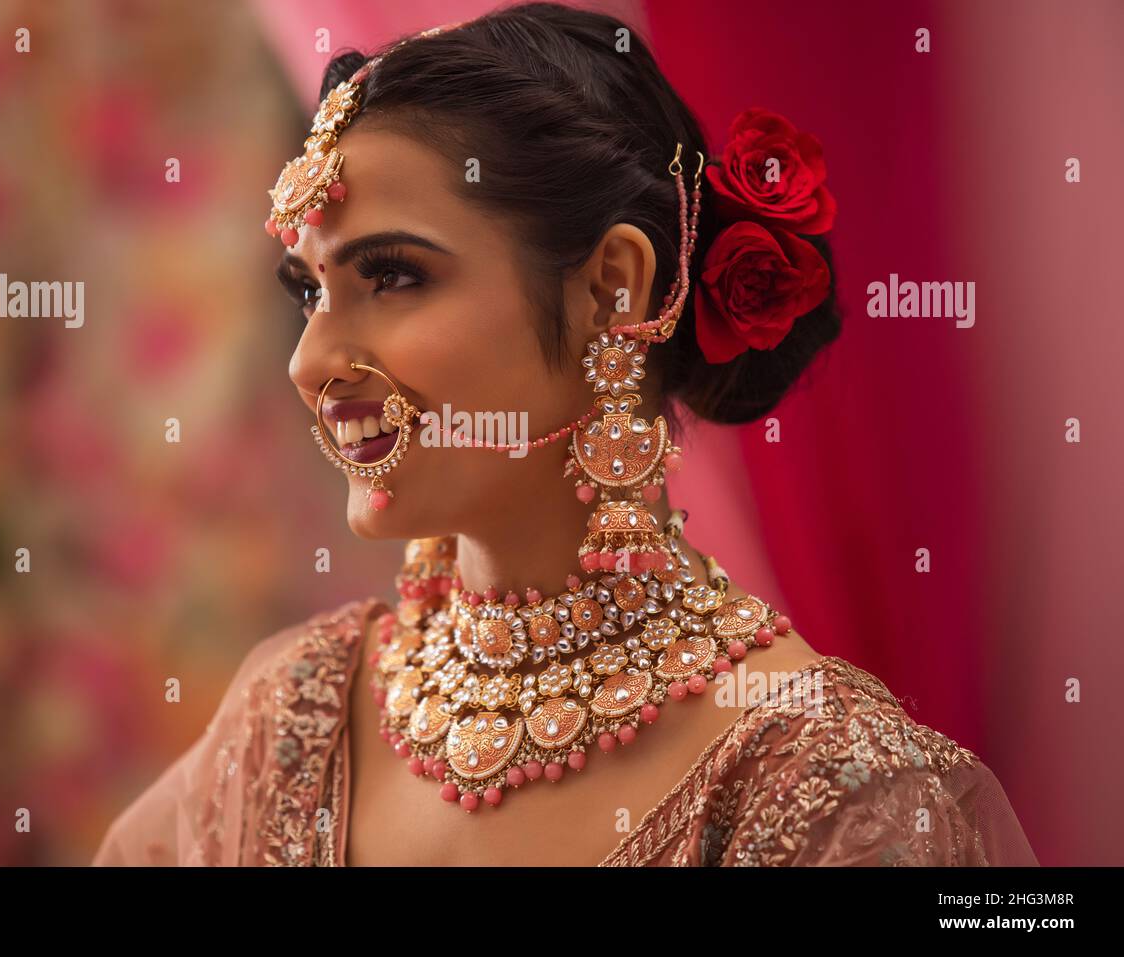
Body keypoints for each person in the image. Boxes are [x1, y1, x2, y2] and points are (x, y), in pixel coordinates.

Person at [93, 2, 1037, 867]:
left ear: (609, 289)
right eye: (309, 292)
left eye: (392, 275)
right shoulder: (296, 713)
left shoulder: (826, 786)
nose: (309, 361)